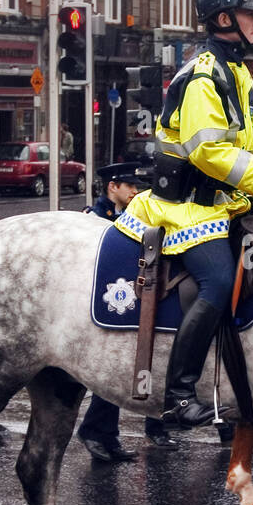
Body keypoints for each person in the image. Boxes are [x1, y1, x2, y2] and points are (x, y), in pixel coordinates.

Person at [114, 0, 253, 427]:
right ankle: (179, 395)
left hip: (225, 203)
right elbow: (209, 150)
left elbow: (252, 144)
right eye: (249, 14)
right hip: (188, 209)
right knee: (219, 282)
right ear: (224, 19)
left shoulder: (236, 72)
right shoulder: (202, 75)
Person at [78, 163, 176, 459]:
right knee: (112, 371)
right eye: (129, 186)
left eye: (137, 186)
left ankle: (112, 435)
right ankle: (97, 433)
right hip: (106, 297)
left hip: (130, 294)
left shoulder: (131, 215)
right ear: (112, 187)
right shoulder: (94, 219)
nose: (136, 191)